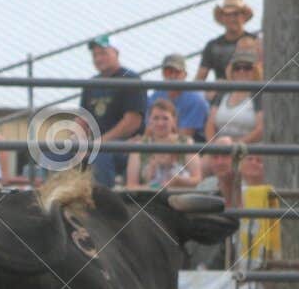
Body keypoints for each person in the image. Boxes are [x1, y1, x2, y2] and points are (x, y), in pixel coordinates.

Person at [78, 35, 146, 187]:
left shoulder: (130, 78)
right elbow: (82, 120)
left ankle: (103, 200)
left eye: (103, 53)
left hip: (126, 145)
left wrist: (97, 143)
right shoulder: (91, 83)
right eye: (95, 55)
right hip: (96, 144)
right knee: (55, 152)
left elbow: (132, 122)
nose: (98, 58)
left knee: (101, 154)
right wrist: (77, 141)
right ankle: (56, 199)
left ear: (116, 53)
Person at [125, 98, 202, 190]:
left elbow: (198, 179)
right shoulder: (139, 146)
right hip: (147, 196)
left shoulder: (185, 142)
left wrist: (178, 181)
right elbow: (131, 186)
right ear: (149, 120)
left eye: (165, 118)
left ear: (174, 120)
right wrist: (155, 187)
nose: (160, 123)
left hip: (180, 196)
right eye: (156, 118)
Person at [204, 55, 264, 143]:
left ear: (255, 71)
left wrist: (235, 146)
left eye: (247, 68)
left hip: (249, 148)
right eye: (237, 68)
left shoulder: (260, 95)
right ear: (231, 72)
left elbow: (261, 129)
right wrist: (213, 146)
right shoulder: (222, 93)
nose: (241, 71)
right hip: (220, 146)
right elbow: (210, 125)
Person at [198, 0, 257, 81]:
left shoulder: (256, 42)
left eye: (236, 14)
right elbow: (200, 78)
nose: (232, 18)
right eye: (228, 15)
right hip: (221, 88)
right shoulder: (213, 46)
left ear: (243, 16)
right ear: (222, 18)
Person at [149, 53, 209, 136]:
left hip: (192, 141)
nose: (172, 76)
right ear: (163, 74)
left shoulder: (197, 100)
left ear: (185, 75)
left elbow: (184, 137)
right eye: (168, 72)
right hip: (162, 139)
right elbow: (149, 130)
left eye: (177, 72)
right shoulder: (155, 96)